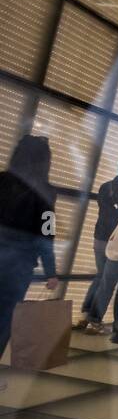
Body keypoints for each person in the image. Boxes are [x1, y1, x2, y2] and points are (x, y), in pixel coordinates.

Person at [0, 135, 58, 359]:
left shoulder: (1, 180)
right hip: (18, 269)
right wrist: (50, 272)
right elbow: (46, 235)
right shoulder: (46, 192)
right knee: (4, 320)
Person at [75, 154, 118, 336]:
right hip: (116, 242)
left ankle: (85, 315)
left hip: (99, 239)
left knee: (100, 277)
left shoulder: (105, 187)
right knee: (108, 282)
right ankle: (95, 321)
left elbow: (105, 214)